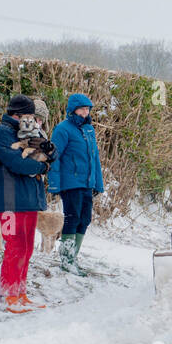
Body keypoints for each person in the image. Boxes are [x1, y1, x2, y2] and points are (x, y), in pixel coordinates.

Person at [0, 95, 51, 313]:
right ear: (20, 114)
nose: (33, 119)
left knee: (26, 247)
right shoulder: (3, 133)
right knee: (14, 247)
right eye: (31, 115)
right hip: (8, 200)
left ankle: (20, 293)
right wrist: (40, 167)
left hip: (27, 198)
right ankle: (8, 296)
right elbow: (17, 162)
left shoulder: (27, 132)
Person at [48, 93, 105, 276]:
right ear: (73, 110)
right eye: (82, 109)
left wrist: (98, 183)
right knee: (72, 219)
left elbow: (94, 158)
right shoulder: (63, 129)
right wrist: (55, 184)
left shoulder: (89, 130)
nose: (85, 112)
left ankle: (73, 257)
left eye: (87, 109)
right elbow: (54, 157)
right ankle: (66, 261)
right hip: (70, 182)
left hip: (87, 183)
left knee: (85, 219)